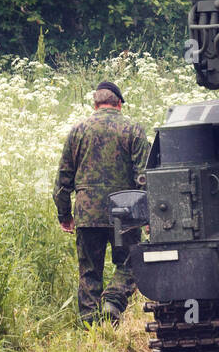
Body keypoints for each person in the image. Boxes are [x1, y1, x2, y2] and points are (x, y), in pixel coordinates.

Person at [53, 81, 150, 325]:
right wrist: (150, 217)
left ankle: (90, 329)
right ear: (118, 104)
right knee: (129, 262)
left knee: (89, 272)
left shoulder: (77, 131)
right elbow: (144, 177)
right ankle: (113, 301)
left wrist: (64, 214)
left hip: (87, 213)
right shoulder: (133, 129)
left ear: (95, 104)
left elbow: (64, 178)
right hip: (124, 214)